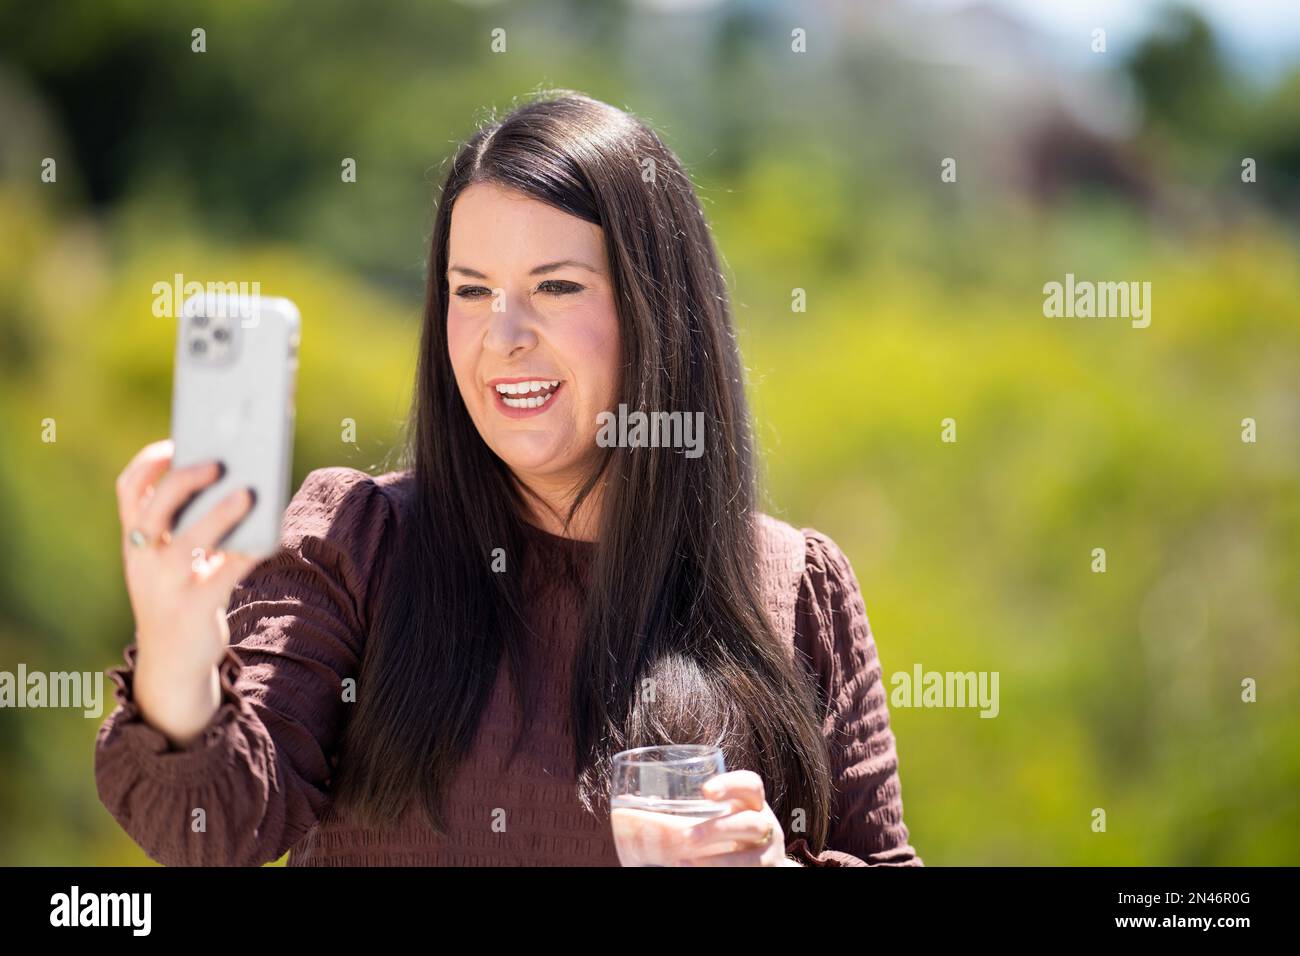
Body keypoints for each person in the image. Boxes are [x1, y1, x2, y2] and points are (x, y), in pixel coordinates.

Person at [96, 90, 921, 867]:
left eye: (556, 287)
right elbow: (212, 826)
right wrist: (177, 636)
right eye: (471, 290)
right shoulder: (357, 540)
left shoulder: (796, 586)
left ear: (661, 309)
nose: (505, 335)